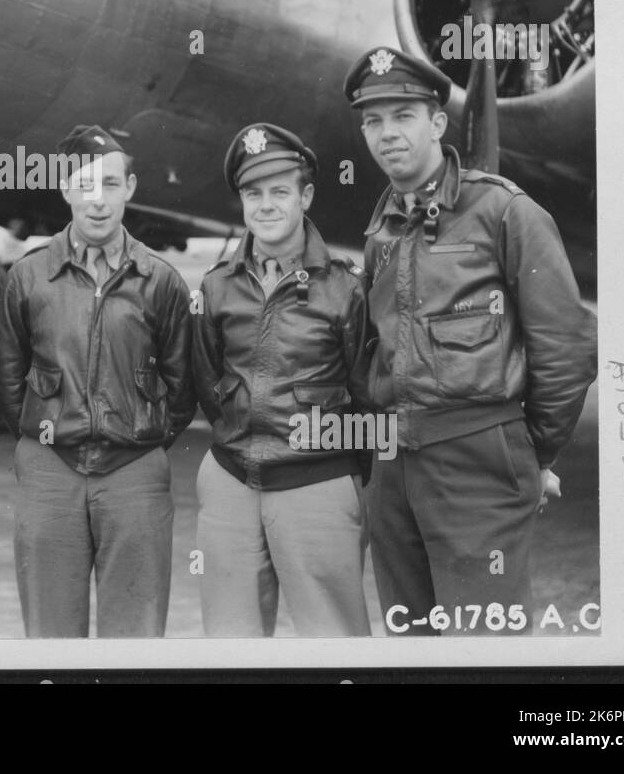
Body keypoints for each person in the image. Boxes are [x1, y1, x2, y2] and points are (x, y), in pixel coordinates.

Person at [343, 46, 597, 635]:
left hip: (476, 459)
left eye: (403, 116)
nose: (387, 135)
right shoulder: (381, 229)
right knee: (414, 645)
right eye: (373, 121)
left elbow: (565, 345)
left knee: (486, 647)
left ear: (437, 122)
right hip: (393, 468)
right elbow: (373, 353)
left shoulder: (503, 211)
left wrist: (530, 452)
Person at [0, 125, 194, 637]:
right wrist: (43, 431)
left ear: (130, 189)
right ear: (65, 189)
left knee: (136, 639)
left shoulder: (161, 280)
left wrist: (141, 432)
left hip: (135, 472)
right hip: (50, 470)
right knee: (51, 637)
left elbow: (182, 384)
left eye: (109, 184)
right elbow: (5, 373)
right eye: (84, 184)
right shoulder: (29, 276)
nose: (97, 200)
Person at [192, 123, 371, 637]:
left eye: (279, 192)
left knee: (334, 641)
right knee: (232, 647)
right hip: (231, 482)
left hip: (317, 482)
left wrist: (342, 474)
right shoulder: (217, 286)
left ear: (305, 195)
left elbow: (367, 394)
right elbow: (209, 383)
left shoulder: (345, 287)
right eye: (253, 193)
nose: (265, 205)